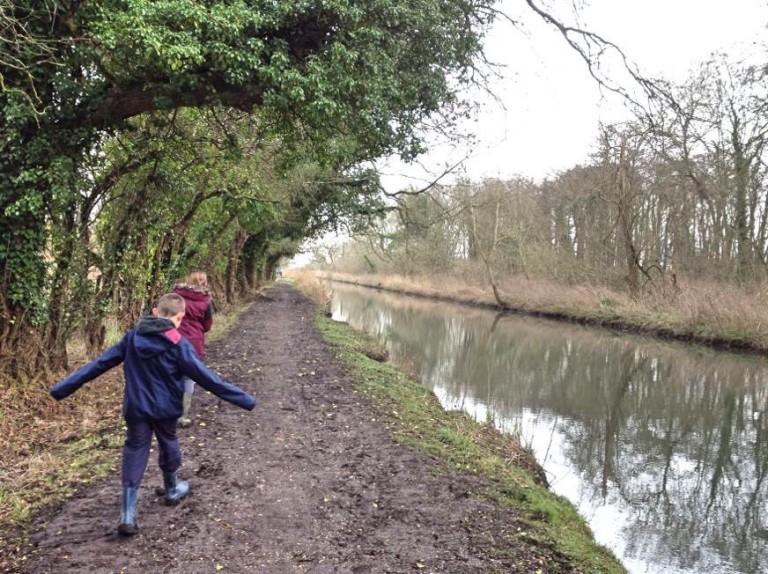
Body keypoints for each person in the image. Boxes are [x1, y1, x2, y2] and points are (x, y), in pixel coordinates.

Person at [49, 293, 257, 536]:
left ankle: (128, 514)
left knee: (135, 448)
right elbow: (208, 379)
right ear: (180, 317)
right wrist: (245, 400)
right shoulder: (179, 345)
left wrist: (62, 389)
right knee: (168, 441)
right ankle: (171, 489)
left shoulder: (132, 338)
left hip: (136, 408)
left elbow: (99, 364)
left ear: (155, 312)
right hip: (166, 409)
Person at [173, 271, 214, 427]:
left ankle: (165, 412)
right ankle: (182, 416)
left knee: (170, 374)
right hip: (194, 344)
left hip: (173, 340)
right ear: (205, 283)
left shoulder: (176, 295)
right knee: (188, 378)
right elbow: (207, 325)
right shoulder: (205, 300)